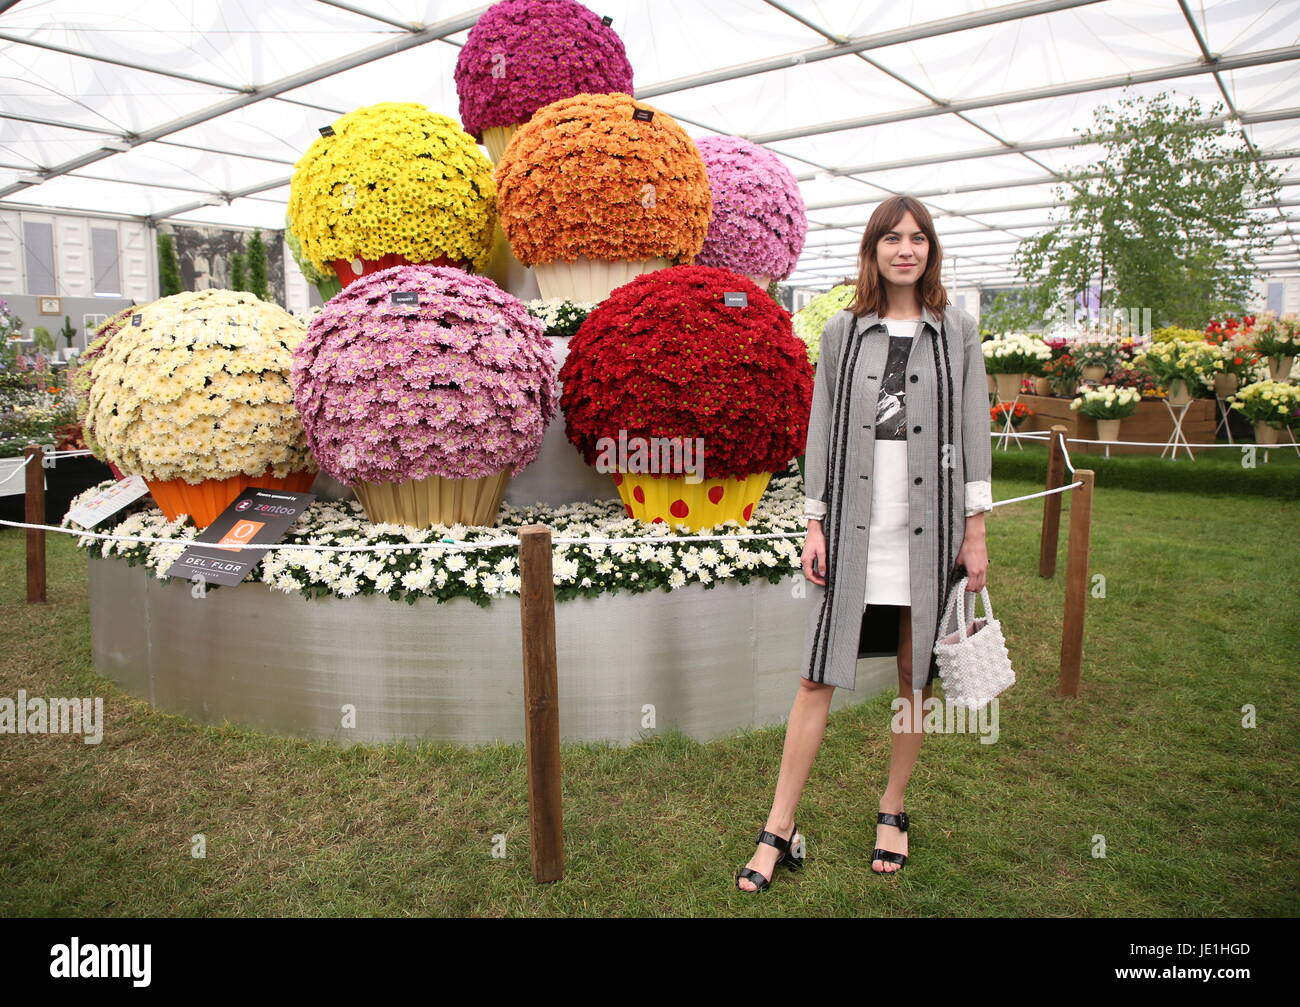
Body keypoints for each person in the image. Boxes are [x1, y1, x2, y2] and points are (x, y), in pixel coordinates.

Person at [734, 195, 993, 892]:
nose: (906, 249)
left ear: (931, 250)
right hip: (854, 525)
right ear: (873, 248)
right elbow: (821, 427)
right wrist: (814, 519)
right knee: (815, 673)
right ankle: (778, 826)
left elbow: (973, 433)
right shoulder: (845, 331)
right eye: (892, 238)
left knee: (914, 671)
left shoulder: (957, 331)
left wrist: (975, 531)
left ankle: (894, 807)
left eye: (918, 238)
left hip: (930, 527)